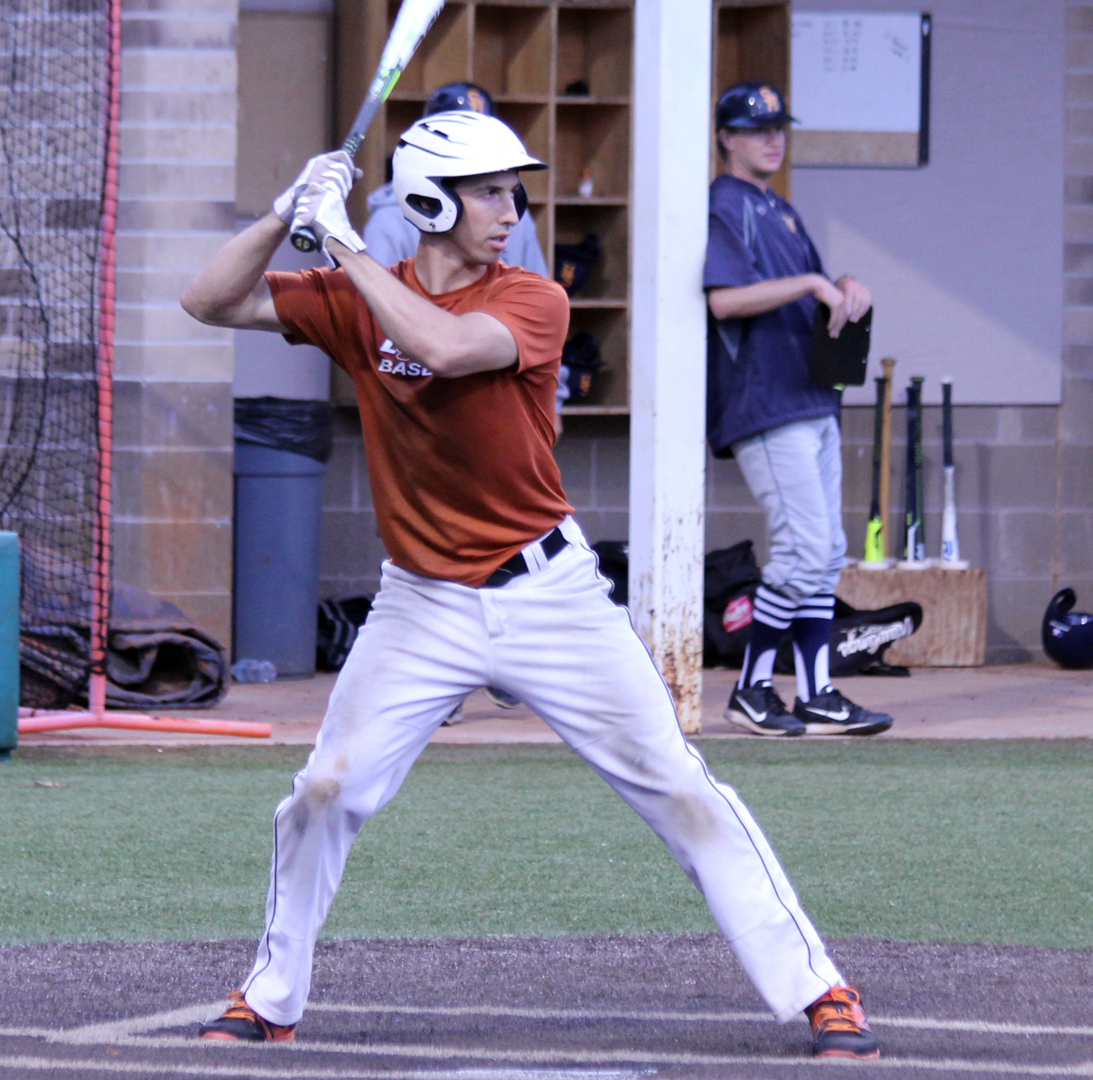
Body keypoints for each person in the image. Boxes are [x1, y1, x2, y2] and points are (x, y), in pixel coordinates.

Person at [179, 110, 880, 1060]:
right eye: (490, 191)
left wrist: (342, 240)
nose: (512, 207)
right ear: (430, 202)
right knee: (325, 790)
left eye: (512, 188)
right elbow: (208, 302)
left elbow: (445, 348)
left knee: (679, 786)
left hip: (550, 595)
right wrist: (278, 215)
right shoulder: (357, 298)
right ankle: (270, 994)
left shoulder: (531, 299)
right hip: (421, 602)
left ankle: (820, 990)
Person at [704, 82, 892, 739]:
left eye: (778, 126)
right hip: (764, 399)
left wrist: (839, 287)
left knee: (826, 551)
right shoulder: (725, 203)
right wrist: (816, 283)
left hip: (810, 393)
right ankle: (752, 688)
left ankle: (816, 693)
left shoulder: (777, 207)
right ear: (726, 136)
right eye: (756, 128)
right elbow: (724, 300)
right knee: (805, 547)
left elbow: (805, 297)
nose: (772, 138)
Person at [361, 81, 547, 275]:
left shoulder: (515, 214)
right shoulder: (390, 220)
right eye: (489, 194)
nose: (510, 216)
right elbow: (376, 298)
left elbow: (540, 290)